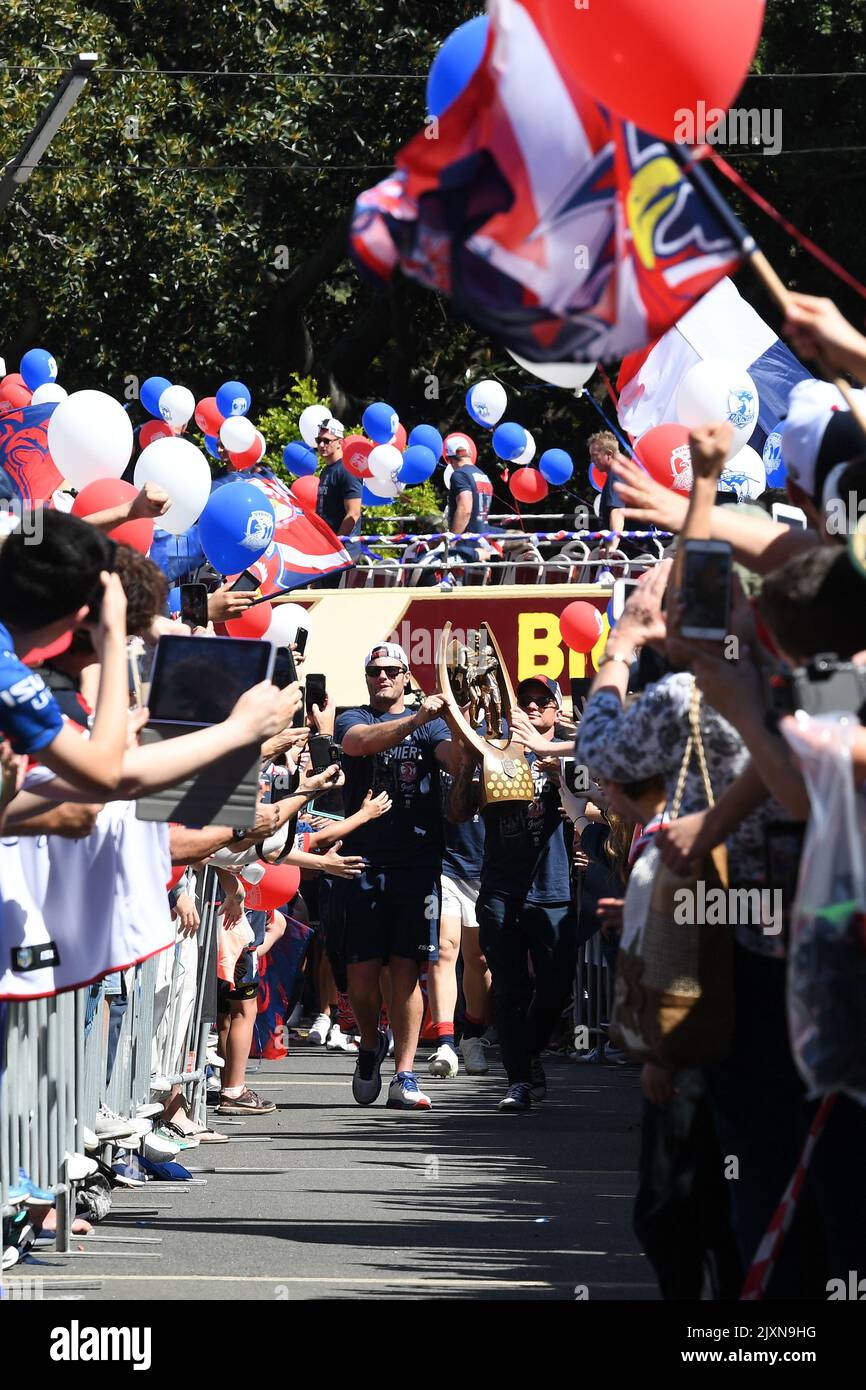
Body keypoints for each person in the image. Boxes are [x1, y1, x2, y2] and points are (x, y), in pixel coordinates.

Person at [333, 642, 459, 1110]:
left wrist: (463, 720)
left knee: (407, 973)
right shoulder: (354, 716)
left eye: (391, 670)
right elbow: (359, 744)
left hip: (417, 862)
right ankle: (370, 1043)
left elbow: (455, 760)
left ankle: (404, 1074)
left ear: (406, 675)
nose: (382, 677)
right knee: (362, 979)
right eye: (374, 671)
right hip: (363, 861)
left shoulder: (432, 724)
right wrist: (418, 719)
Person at [452, 676, 577, 1111]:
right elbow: (457, 811)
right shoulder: (493, 750)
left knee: (557, 986)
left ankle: (530, 1051)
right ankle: (519, 1078)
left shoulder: (570, 753)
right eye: (526, 702)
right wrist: (470, 762)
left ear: (557, 710)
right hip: (502, 888)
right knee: (507, 988)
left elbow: (605, 805)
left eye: (544, 702)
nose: (534, 708)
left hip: (553, 888)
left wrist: (562, 775)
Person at [426, 757, 491, 1078]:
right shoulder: (441, 737)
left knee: (479, 959)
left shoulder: (499, 735)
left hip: (487, 863)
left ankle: (473, 1037)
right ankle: (445, 1042)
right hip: (445, 863)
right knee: (444, 948)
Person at [446, 439, 495, 573]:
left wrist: (453, 540)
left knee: (457, 591)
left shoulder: (459, 475)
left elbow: (465, 509)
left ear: (449, 459)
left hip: (466, 547)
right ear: (470, 453)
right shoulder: (483, 476)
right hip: (482, 543)